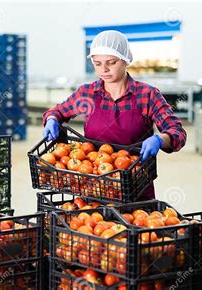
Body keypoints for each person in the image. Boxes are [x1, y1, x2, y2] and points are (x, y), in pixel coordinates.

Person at [42, 30, 187, 200]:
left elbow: (177, 133)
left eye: (111, 62)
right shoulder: (87, 94)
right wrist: (52, 119)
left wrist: (160, 139)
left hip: (135, 187)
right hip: (94, 186)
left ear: (125, 60)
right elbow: (57, 111)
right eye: (97, 63)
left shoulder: (147, 95)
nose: (104, 69)